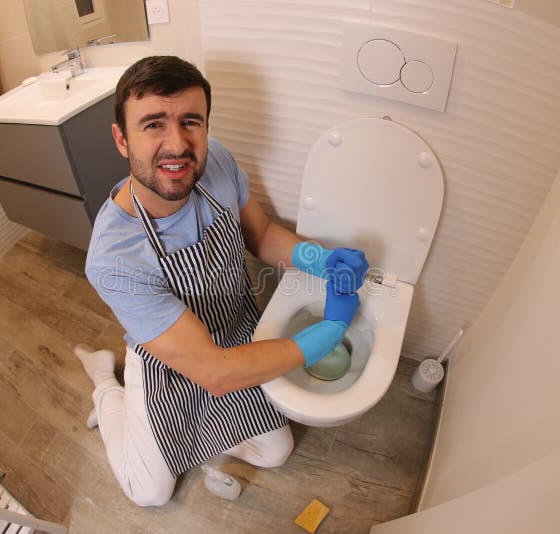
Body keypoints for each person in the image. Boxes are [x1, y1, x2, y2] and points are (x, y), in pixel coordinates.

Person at [78, 55, 369, 507]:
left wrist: (322, 260)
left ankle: (196, 435)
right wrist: (328, 334)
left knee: (276, 451)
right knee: (149, 492)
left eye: (190, 121)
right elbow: (214, 372)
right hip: (169, 363)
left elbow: (262, 235)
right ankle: (104, 383)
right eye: (153, 124)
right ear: (121, 138)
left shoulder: (216, 161)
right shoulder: (114, 257)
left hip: (234, 332)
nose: (178, 145)